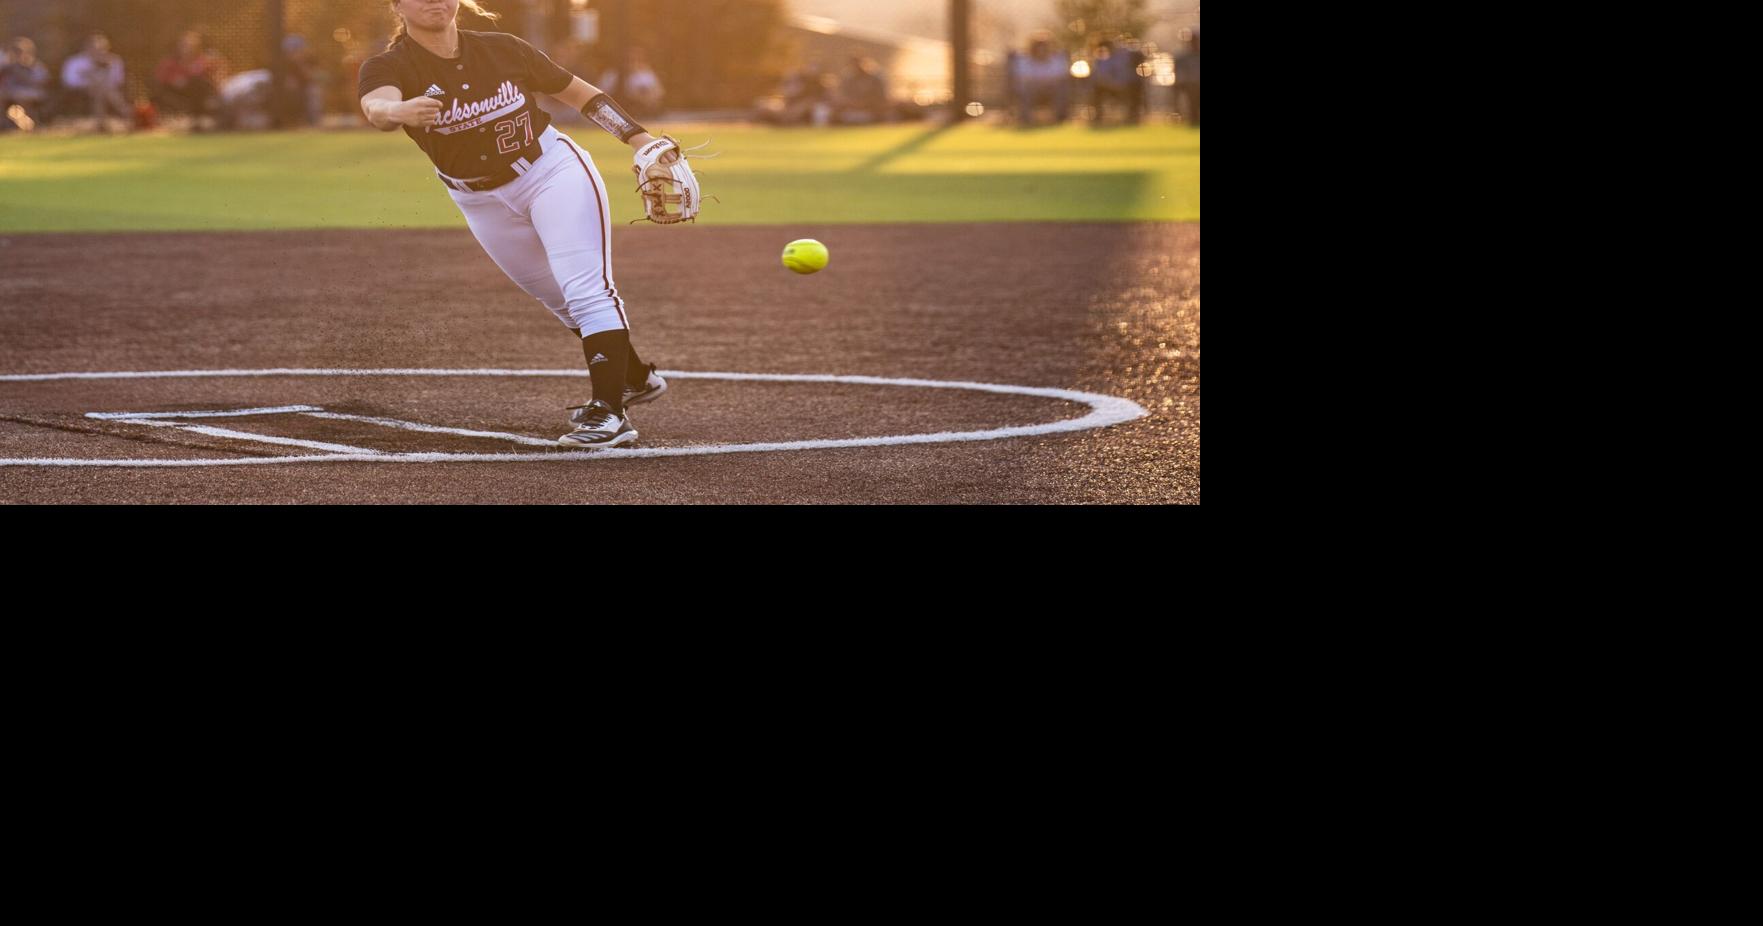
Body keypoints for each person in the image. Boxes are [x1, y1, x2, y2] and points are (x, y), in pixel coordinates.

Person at [359, 0, 683, 447]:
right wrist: (396, 113)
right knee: (559, 299)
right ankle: (634, 378)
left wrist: (641, 140)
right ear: (397, 5)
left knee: (585, 288)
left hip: (551, 171)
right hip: (478, 199)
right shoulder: (390, 65)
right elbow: (376, 107)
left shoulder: (503, 48)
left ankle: (609, 413)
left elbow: (583, 95)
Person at [154, 30, 225, 130]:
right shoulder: (169, 63)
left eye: (192, 45)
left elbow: (216, 77)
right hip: (176, 93)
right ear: (179, 46)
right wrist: (175, 81)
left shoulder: (204, 61)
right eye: (185, 45)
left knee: (198, 83)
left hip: (199, 94)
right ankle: (192, 118)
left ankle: (199, 118)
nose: (188, 48)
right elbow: (159, 81)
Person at [61, 33, 131, 132]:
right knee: (101, 90)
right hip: (80, 91)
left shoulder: (114, 61)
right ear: (87, 47)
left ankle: (102, 124)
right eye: (94, 48)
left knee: (102, 91)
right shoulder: (75, 61)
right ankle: (127, 114)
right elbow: (69, 81)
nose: (98, 51)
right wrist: (89, 80)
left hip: (108, 90)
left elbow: (118, 80)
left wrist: (105, 72)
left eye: (102, 48)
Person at [1014, 31, 1069, 126]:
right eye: (1039, 47)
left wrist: (1046, 82)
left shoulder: (1057, 60)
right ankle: (1025, 118)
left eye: (1044, 47)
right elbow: (1023, 78)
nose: (1041, 50)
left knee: (1061, 88)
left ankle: (1060, 117)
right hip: (1032, 91)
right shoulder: (1025, 61)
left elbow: (1061, 77)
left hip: (1052, 90)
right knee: (1026, 89)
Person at [1, 37, 51, 131]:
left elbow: (41, 81)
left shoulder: (35, 65)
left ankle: (29, 124)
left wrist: (23, 69)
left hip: (32, 92)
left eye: (19, 51)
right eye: (15, 52)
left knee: (22, 97)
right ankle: (4, 124)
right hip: (11, 92)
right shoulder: (8, 66)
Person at [598, 47, 663, 119]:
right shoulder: (612, 75)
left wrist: (645, 98)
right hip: (617, 113)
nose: (631, 63)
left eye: (635, 60)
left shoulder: (646, 74)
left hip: (643, 111)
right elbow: (601, 94)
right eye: (628, 60)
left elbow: (658, 92)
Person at [1088, 40, 1142, 125]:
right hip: (1109, 87)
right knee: (1096, 90)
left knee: (1135, 88)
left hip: (1124, 86)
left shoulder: (1123, 57)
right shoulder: (1102, 60)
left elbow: (1125, 75)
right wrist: (1110, 84)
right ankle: (1098, 116)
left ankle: (1132, 115)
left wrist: (1118, 84)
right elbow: (1099, 77)